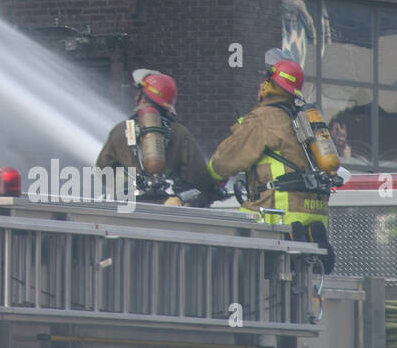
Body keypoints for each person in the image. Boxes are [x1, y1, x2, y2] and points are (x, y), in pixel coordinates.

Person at [207, 59, 335, 271]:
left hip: (279, 211)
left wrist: (209, 175)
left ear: (270, 84)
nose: (260, 85)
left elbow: (224, 161)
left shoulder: (264, 117)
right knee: (296, 279)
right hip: (314, 213)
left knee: (228, 234)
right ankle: (310, 250)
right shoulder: (303, 118)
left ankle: (295, 248)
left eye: (264, 80)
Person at [95, 70, 214, 206]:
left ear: (144, 97)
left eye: (139, 94)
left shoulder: (120, 130)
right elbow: (199, 177)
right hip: (169, 209)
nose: (135, 98)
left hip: (129, 208)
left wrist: (126, 185)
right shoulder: (180, 133)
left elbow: (102, 170)